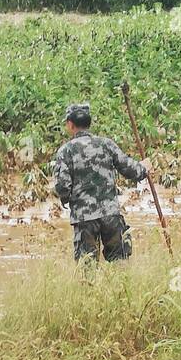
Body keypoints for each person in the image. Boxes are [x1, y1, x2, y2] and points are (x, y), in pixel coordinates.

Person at [52, 103, 151, 263]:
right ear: (89, 123)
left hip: (85, 219)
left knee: (87, 265)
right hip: (110, 214)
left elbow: (62, 186)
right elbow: (129, 169)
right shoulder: (106, 144)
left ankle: (92, 289)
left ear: (70, 124)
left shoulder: (66, 151)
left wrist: (66, 199)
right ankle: (121, 288)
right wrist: (143, 168)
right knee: (119, 262)